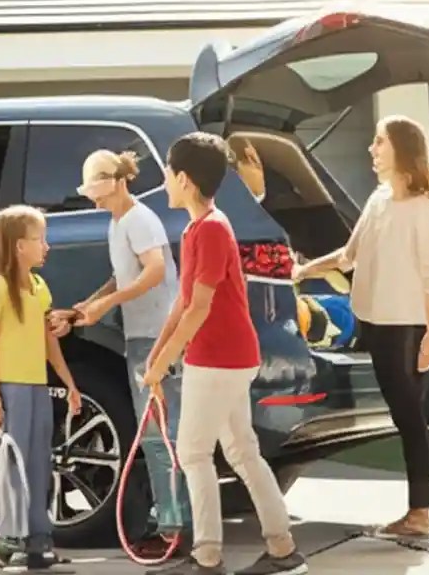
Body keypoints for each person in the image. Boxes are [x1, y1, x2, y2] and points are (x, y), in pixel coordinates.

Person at [293, 115, 429, 540]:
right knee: (408, 417)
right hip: (376, 323)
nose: (372, 149)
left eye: (379, 142)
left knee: (408, 418)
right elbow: (349, 255)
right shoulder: (379, 200)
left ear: (402, 149)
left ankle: (421, 513)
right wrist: (303, 269)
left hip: (408, 327)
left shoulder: (424, 211)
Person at [142, 132, 308, 575]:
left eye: (168, 175)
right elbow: (181, 303)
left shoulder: (212, 229)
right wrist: (156, 355)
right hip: (224, 358)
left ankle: (208, 556)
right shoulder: (197, 229)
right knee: (241, 451)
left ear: (185, 180)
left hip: (219, 359)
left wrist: (165, 362)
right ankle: (281, 548)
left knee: (194, 453)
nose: (164, 183)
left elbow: (200, 306)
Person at [69, 149, 191, 560]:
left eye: (99, 192)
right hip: (141, 336)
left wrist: (109, 305)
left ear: (120, 182)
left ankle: (175, 528)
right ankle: (172, 522)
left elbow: (154, 270)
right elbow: (124, 275)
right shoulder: (119, 223)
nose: (95, 200)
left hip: (156, 336)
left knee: (160, 438)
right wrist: (90, 304)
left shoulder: (139, 219)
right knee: (158, 435)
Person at [0, 204, 83, 570]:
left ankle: (39, 541)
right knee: (14, 463)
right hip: (12, 390)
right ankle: (7, 538)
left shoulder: (39, 288)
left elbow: (48, 342)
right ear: (19, 246)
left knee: (41, 462)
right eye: (40, 239)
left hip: (38, 389)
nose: (46, 246)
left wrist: (69, 383)